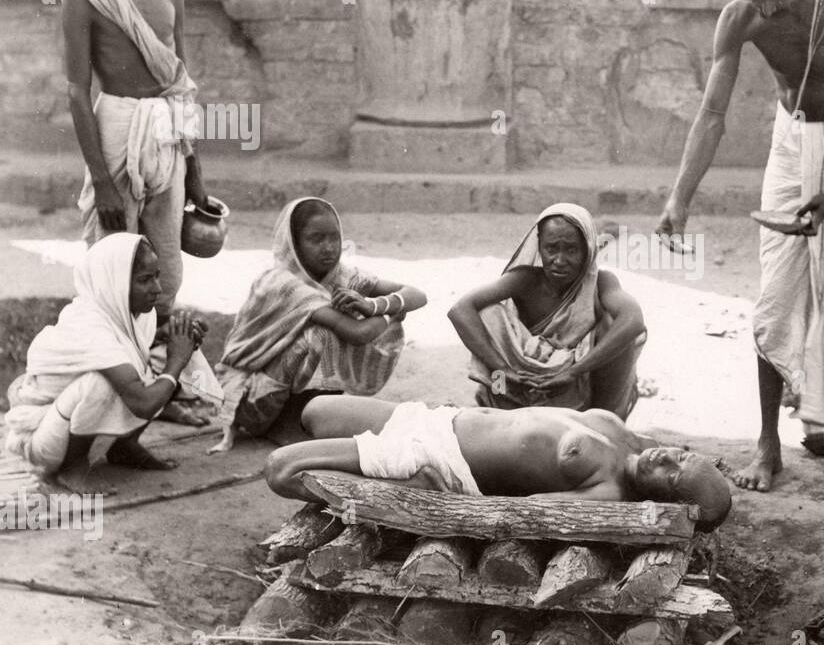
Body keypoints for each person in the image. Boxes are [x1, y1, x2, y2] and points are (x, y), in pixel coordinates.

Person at [655, 0, 824, 491]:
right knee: (775, 297)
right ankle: (767, 445)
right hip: (792, 146)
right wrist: (678, 199)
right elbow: (713, 114)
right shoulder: (741, 17)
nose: (770, 9)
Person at [62, 0, 218, 325]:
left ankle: (161, 350)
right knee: (113, 259)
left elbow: (180, 84)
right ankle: (114, 357)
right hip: (117, 129)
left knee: (166, 264)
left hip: (168, 133)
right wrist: (102, 181)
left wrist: (195, 173)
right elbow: (77, 90)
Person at [262, 394, 733, 532]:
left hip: (439, 459)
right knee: (315, 411)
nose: (668, 457)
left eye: (674, 474)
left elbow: (524, 513)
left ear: (667, 500)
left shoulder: (609, 491)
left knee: (280, 470)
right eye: (682, 455)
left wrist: (439, 491)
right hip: (438, 417)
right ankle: (367, 463)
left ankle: (397, 485)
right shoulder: (629, 437)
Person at [209, 197, 426, 453]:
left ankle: (315, 417)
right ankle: (289, 422)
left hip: (274, 388)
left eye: (334, 238)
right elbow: (358, 333)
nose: (329, 248)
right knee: (321, 335)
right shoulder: (283, 283)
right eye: (316, 239)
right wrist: (387, 313)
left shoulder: (340, 275)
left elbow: (417, 295)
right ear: (295, 244)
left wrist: (376, 306)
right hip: (249, 398)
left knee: (342, 326)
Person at [3, 234, 214, 483]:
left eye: (156, 276)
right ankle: (72, 469)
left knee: (162, 353)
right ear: (115, 284)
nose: (157, 288)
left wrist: (175, 336)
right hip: (40, 441)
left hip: (68, 423)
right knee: (102, 381)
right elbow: (143, 403)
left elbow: (135, 352)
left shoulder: (134, 314)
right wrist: (177, 359)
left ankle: (124, 447)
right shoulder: (89, 325)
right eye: (145, 280)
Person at [448, 203, 646, 419]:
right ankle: (496, 406)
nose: (559, 261)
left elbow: (633, 320)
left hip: (574, 385)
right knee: (488, 315)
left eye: (571, 250)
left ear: (588, 249)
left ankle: (605, 420)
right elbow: (460, 309)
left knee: (615, 328)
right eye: (551, 249)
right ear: (539, 247)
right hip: (519, 381)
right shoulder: (526, 279)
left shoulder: (601, 283)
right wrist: (502, 368)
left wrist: (574, 371)